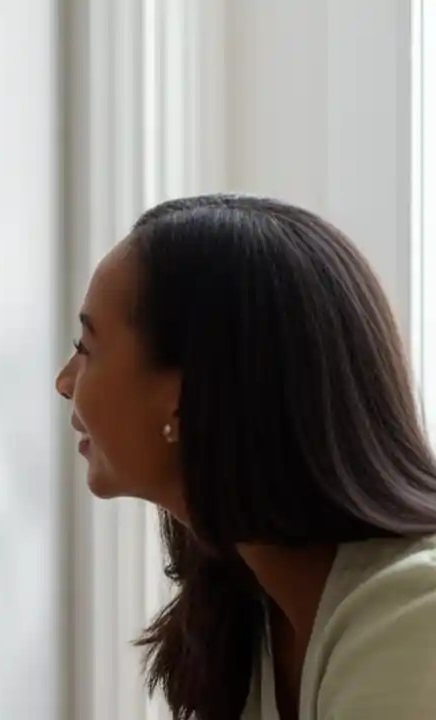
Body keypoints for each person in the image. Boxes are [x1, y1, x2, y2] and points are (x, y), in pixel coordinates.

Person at [56, 194, 436, 719]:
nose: (64, 381)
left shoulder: (416, 618)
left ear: (188, 392)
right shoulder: (251, 614)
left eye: (87, 346)